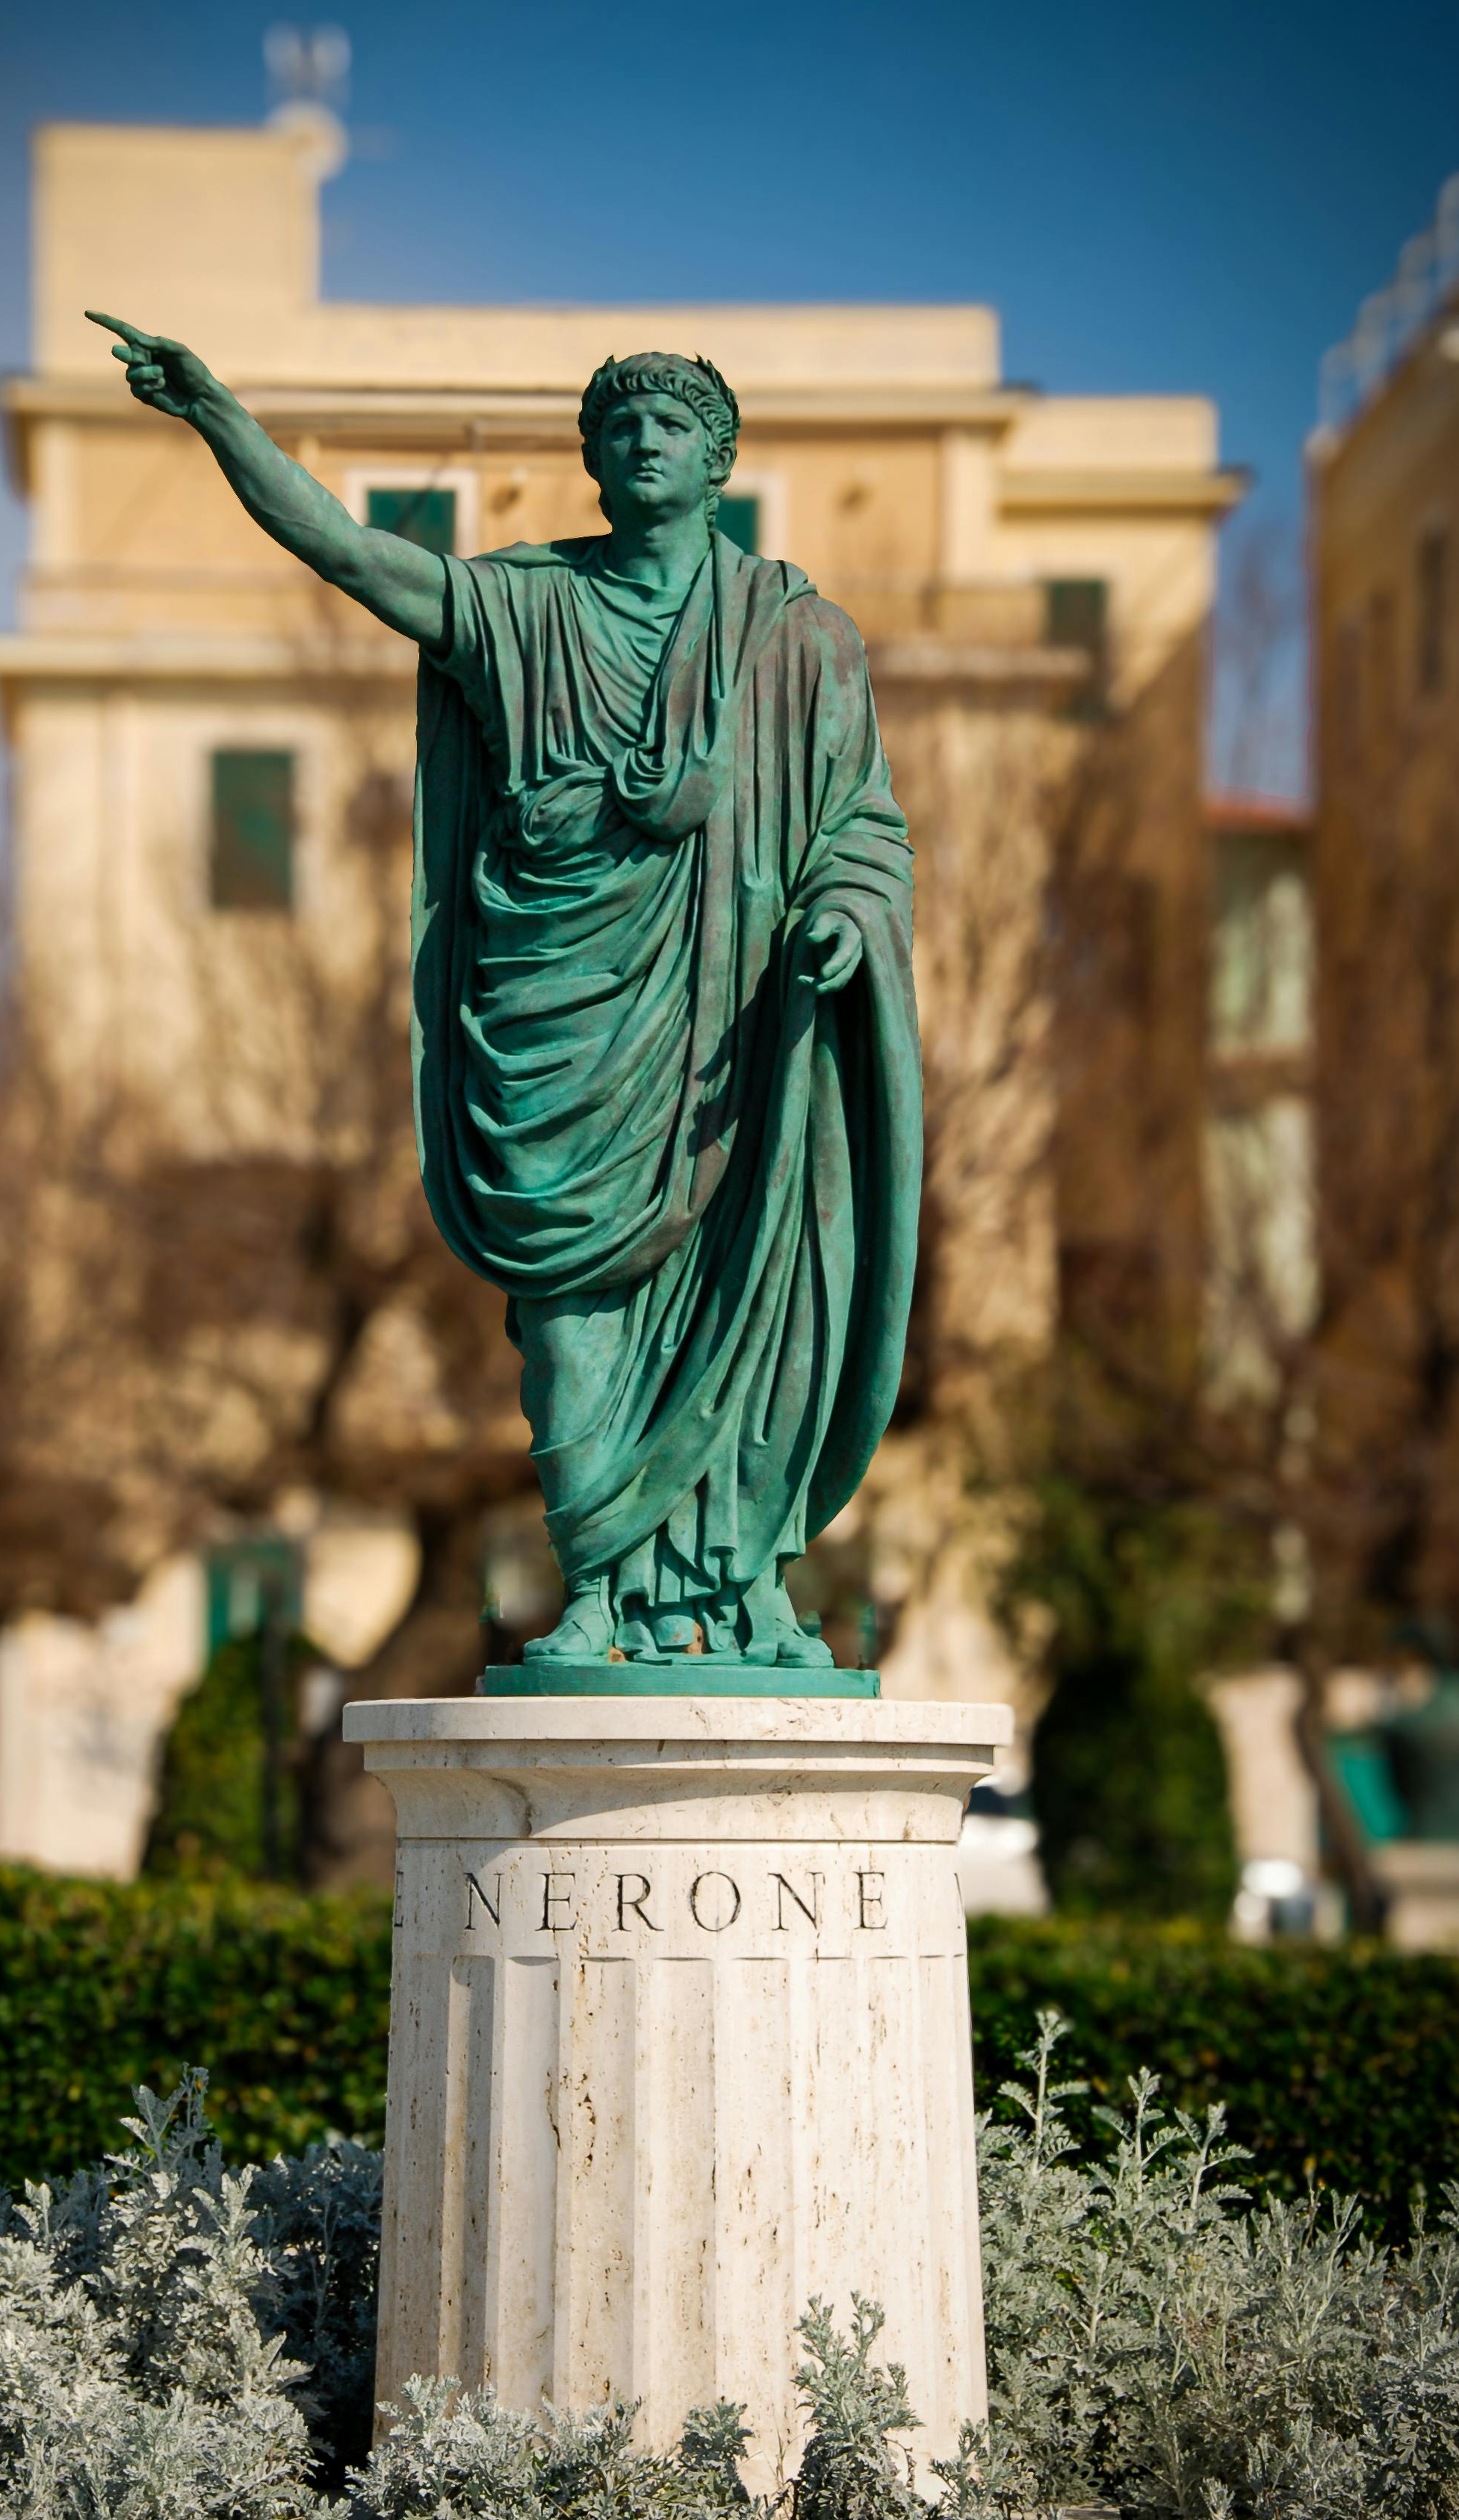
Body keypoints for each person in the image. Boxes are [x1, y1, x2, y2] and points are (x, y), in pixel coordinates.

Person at [92, 313, 921, 1670]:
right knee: (571, 1316)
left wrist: (839, 910)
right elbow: (354, 553)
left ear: (719, 462)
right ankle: (596, 1580)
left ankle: (741, 1578)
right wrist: (218, 418)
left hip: (740, 1036)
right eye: (618, 425)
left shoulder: (800, 639)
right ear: (591, 459)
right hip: (559, 1018)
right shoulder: (523, 607)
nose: (641, 440)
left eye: (670, 426)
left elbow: (862, 823)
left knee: (752, 1298)